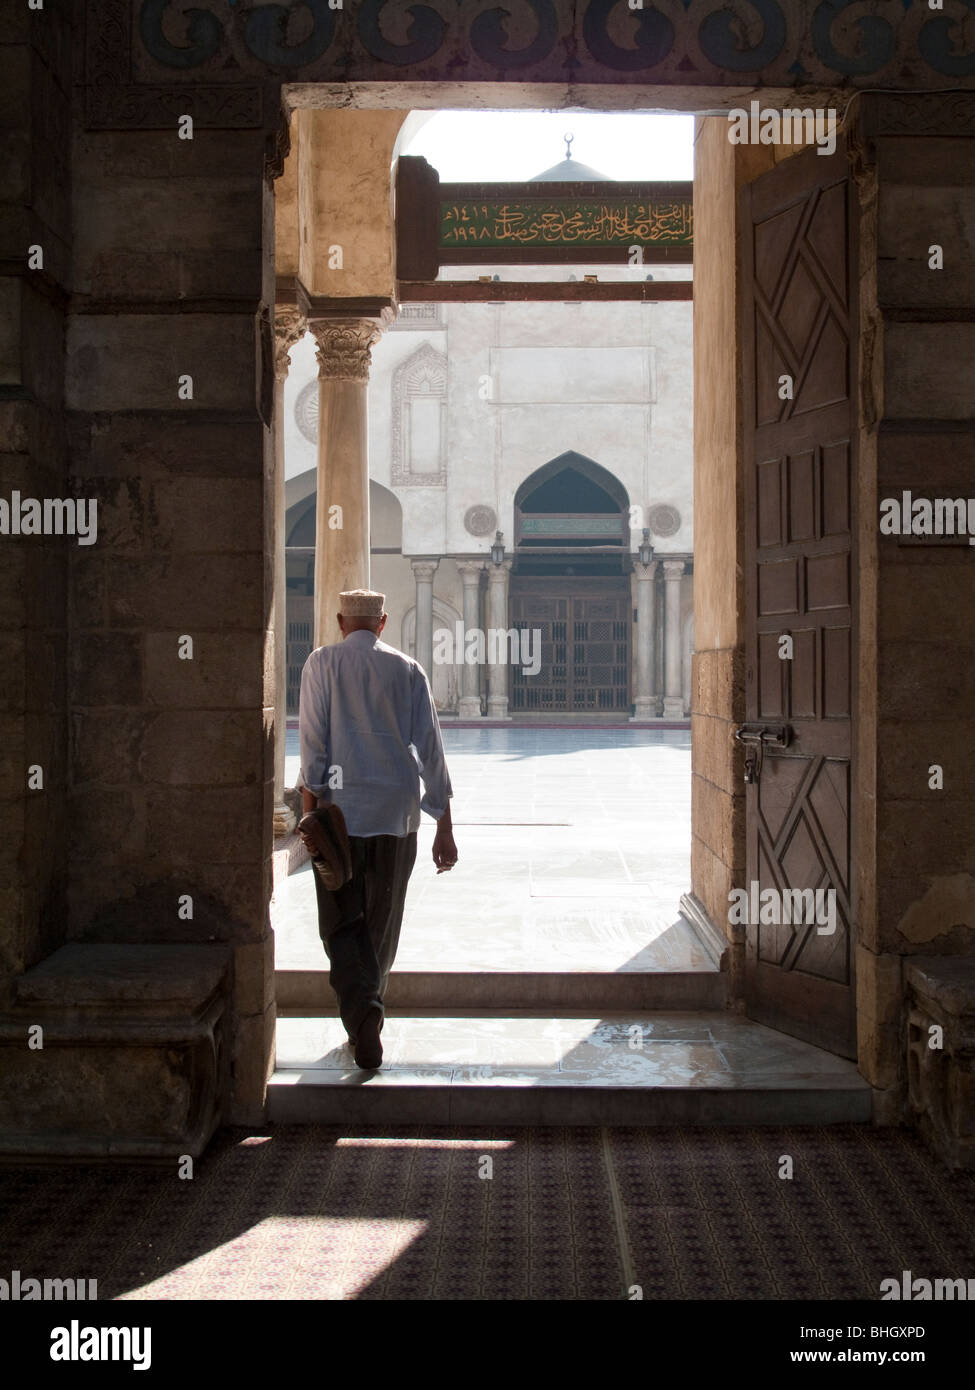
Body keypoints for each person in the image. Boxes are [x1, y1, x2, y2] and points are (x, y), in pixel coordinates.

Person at [297, 589, 457, 1070]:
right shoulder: (407, 669)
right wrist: (444, 825)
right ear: (382, 622)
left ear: (342, 621)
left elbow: (313, 745)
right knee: (382, 920)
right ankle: (369, 1016)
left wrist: (310, 813)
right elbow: (430, 746)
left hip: (340, 816)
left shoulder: (321, 663)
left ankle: (364, 1020)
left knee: (342, 922)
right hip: (395, 812)